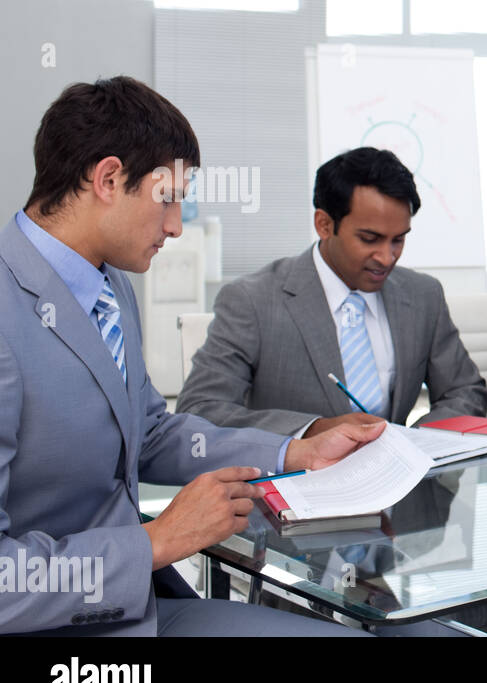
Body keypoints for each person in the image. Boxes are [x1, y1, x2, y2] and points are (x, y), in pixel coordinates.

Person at [0, 77, 382, 636]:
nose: (177, 225)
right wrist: (156, 541)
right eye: (168, 198)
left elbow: (150, 432)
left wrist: (296, 452)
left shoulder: (106, 283)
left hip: (138, 605)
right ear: (107, 179)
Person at [177, 147, 487, 437]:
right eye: (369, 239)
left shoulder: (423, 296)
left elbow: (465, 392)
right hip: (297, 483)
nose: (387, 257)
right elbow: (200, 412)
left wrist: (414, 441)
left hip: (398, 484)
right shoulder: (253, 301)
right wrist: (313, 432)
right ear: (324, 225)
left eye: (398, 240)